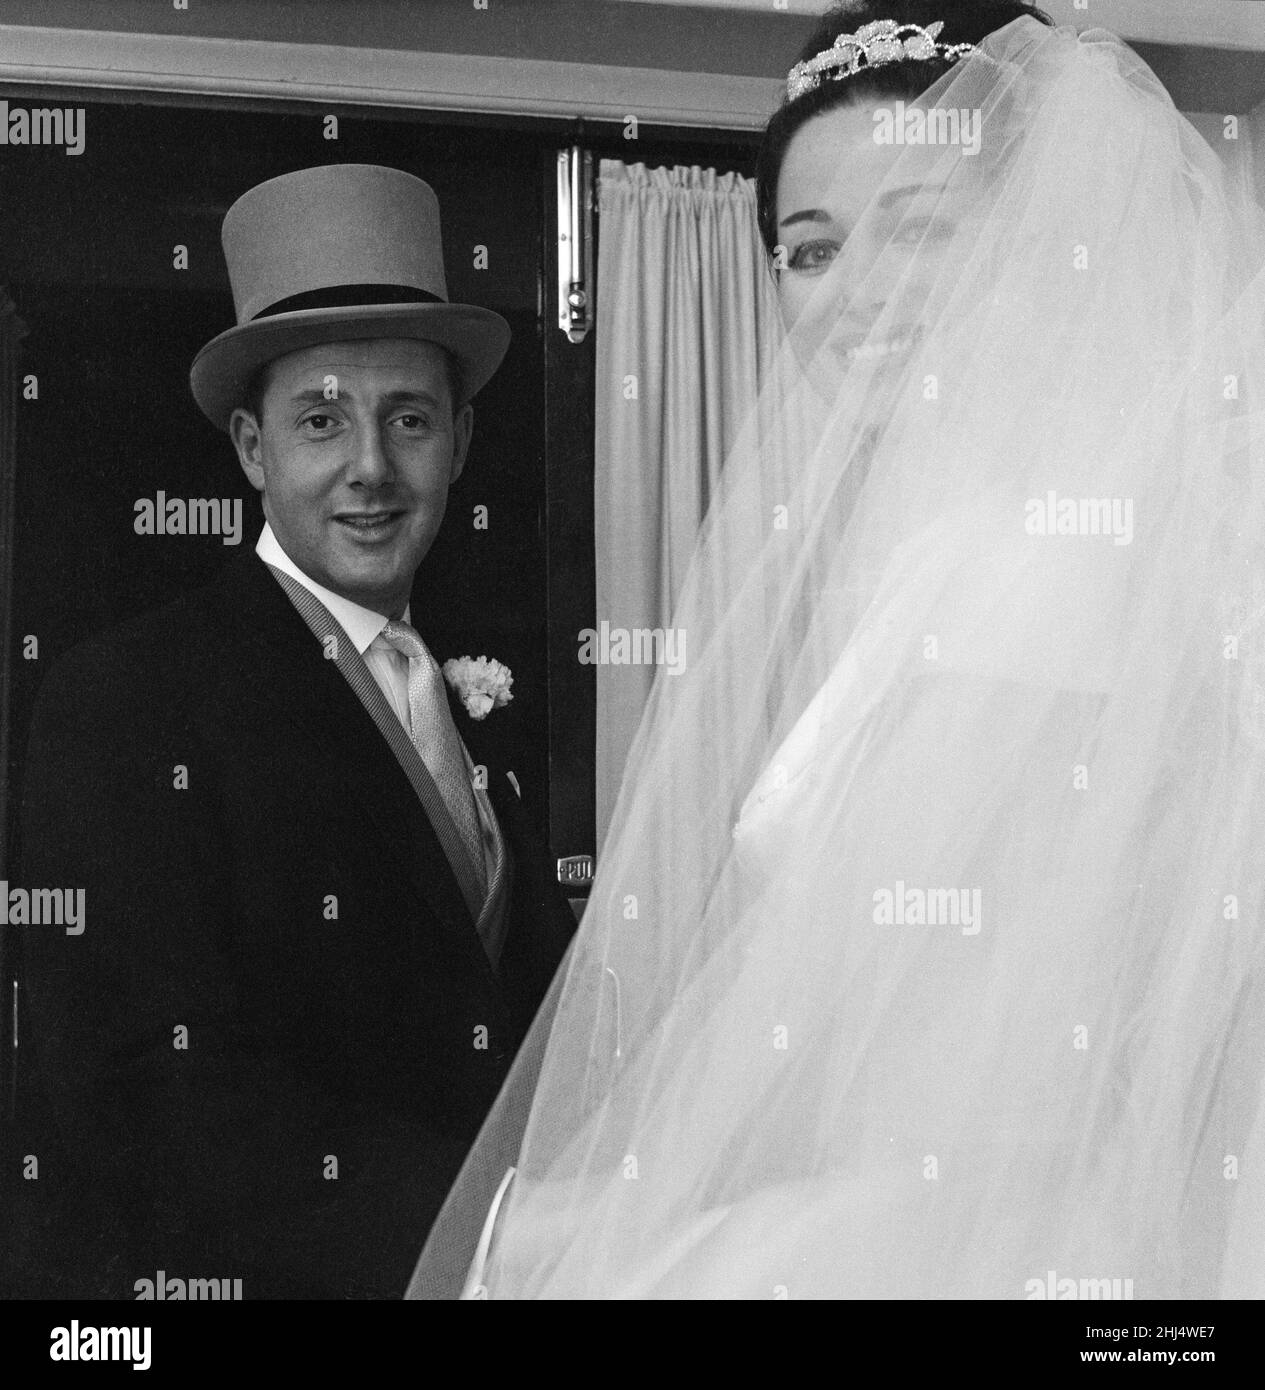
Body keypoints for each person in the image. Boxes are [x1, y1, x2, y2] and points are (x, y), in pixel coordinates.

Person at [407, 3, 1265, 1299]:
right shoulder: (953, 549)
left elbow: (1004, 1109)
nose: (854, 290)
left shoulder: (1049, 570)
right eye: (809, 251)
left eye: (920, 230)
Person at [7, 163, 574, 1299]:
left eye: (407, 417)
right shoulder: (125, 700)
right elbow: (142, 1092)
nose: (370, 465)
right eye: (321, 418)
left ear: (459, 442)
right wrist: (501, 1228)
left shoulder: (468, 689)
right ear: (252, 449)